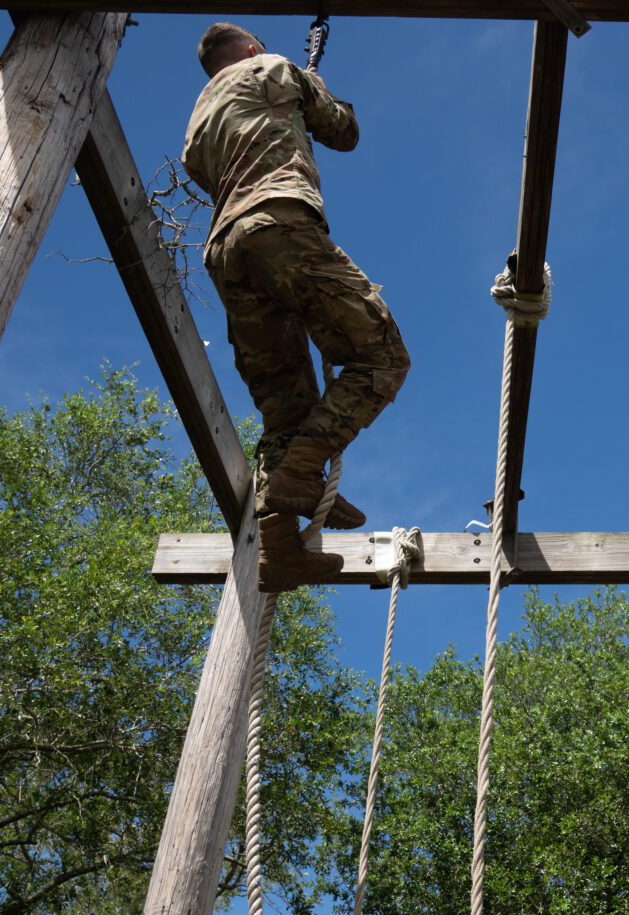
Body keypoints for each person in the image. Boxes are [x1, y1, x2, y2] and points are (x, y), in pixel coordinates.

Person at [183, 22, 410, 593]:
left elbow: (213, 169)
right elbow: (344, 132)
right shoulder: (270, 68)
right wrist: (313, 87)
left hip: (226, 254)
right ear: (253, 49)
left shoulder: (196, 129)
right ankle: (302, 473)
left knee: (285, 408)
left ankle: (280, 548)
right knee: (380, 358)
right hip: (276, 222)